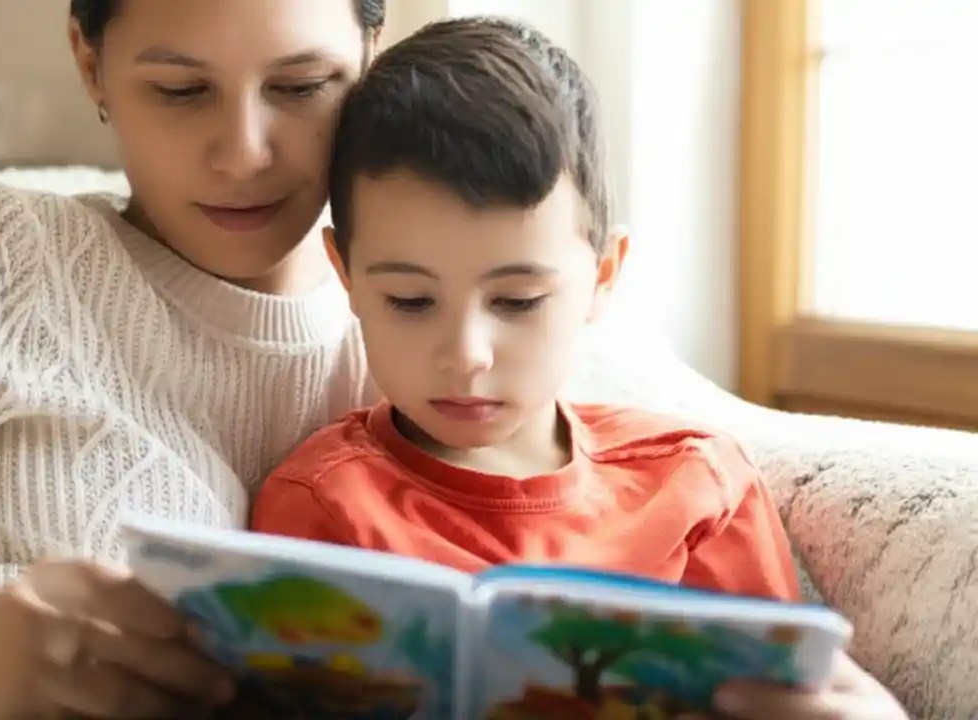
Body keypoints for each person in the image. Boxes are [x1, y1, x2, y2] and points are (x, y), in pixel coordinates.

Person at [0, 2, 907, 719]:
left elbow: (652, 462)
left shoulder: (429, 311)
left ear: (369, 52)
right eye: (178, 89)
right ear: (87, 63)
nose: (243, 151)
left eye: (301, 85)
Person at [253, 16, 910, 720]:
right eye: (410, 300)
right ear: (345, 276)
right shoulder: (323, 505)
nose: (467, 352)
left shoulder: (696, 484)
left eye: (518, 299)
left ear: (602, 277)